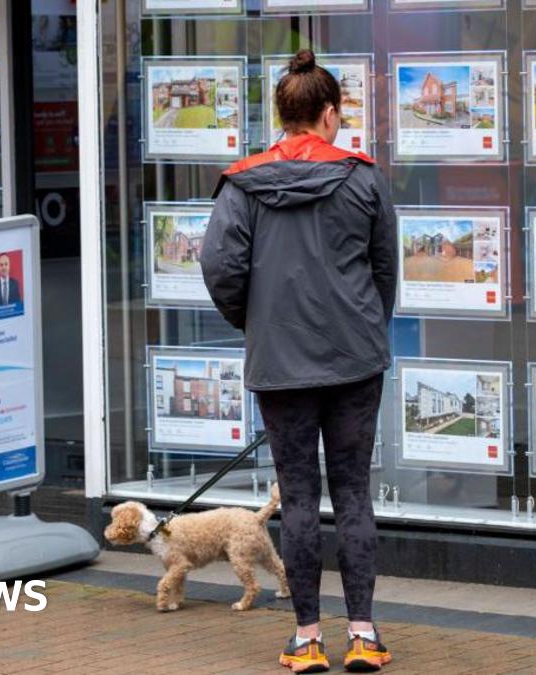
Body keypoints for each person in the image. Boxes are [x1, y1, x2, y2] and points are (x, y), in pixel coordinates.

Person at [201, 49, 396, 674]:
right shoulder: (363, 177)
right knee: (354, 492)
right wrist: (365, 324)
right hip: (354, 360)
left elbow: (218, 267)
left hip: (280, 361)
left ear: (282, 114)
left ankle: (307, 638)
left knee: (300, 498)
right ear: (330, 115)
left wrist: (253, 321)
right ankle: (364, 634)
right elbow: (385, 267)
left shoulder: (242, 182)